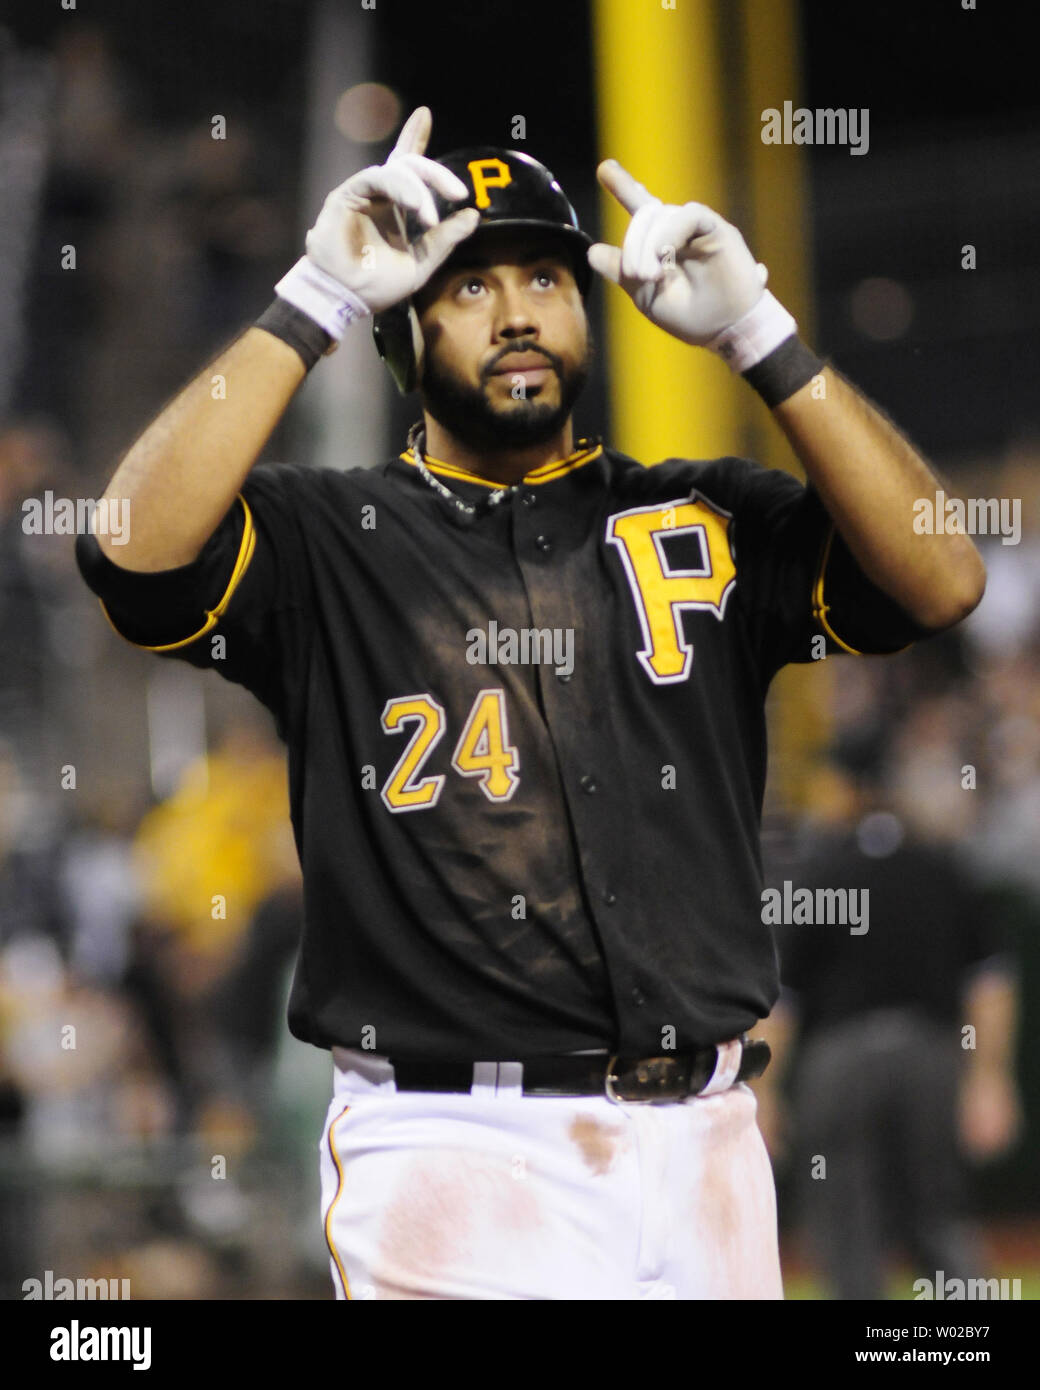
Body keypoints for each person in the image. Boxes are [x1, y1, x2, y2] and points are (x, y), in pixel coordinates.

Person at [74, 106, 985, 1300]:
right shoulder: (327, 534)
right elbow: (131, 557)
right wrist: (311, 299)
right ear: (402, 334)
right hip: (458, 1146)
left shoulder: (699, 512)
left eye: (545, 278)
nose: (515, 313)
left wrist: (760, 332)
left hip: (703, 1134)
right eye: (466, 288)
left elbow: (939, 576)